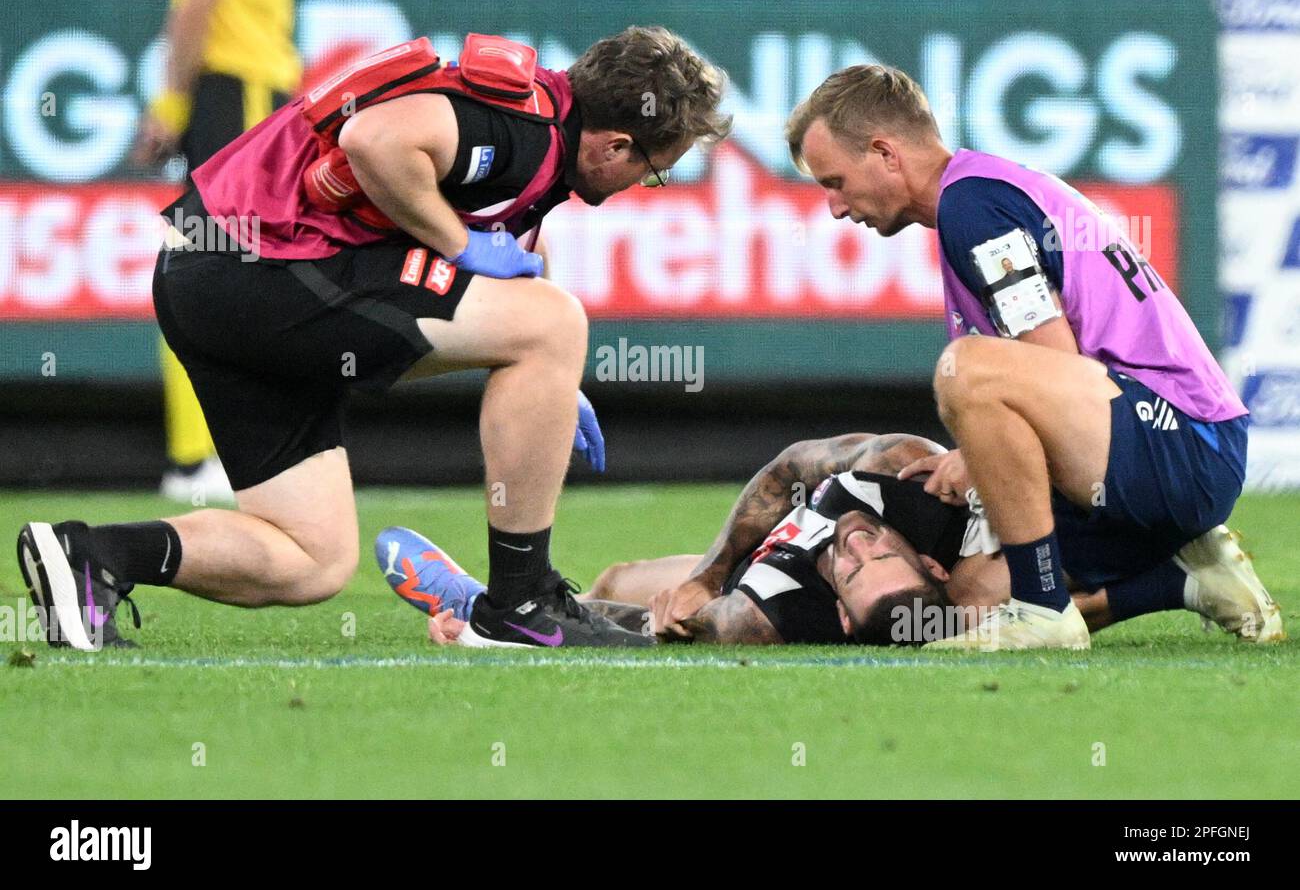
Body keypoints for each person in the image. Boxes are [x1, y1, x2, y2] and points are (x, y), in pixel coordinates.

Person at [18, 26, 731, 652]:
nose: (646, 184)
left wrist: (550, 381)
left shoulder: (540, 139)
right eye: (653, 169)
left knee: (311, 560)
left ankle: (92, 555)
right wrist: (462, 248)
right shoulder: (524, 129)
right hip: (254, 269)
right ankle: (521, 604)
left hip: (214, 279)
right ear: (613, 145)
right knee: (554, 321)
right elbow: (374, 139)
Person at [782, 64, 1281, 650]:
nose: (836, 208)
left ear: (885, 153)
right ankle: (1186, 577)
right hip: (1149, 453)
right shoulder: (978, 195)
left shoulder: (972, 209)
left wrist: (976, 457)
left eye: (835, 182)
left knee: (965, 367)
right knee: (971, 598)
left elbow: (1052, 362)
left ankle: (1045, 613)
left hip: (1182, 447)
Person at [378, 434, 1278, 648]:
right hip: (753, 539)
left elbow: (655, 631)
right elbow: (788, 469)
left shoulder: (781, 617)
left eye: (850, 573)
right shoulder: (907, 478)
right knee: (983, 598)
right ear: (918, 554)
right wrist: (703, 573)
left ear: (839, 615)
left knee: (618, 585)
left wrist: (507, 628)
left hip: (766, 577)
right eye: (874, 555)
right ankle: (1177, 570)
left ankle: (481, 601)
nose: (851, 549)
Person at [133, 0, 303, 505]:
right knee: (233, 269)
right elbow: (198, 3)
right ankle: (214, 457)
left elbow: (188, 6)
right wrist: (172, 105)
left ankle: (196, 460)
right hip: (240, 96)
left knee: (199, 262)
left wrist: (178, 105)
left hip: (226, 99)